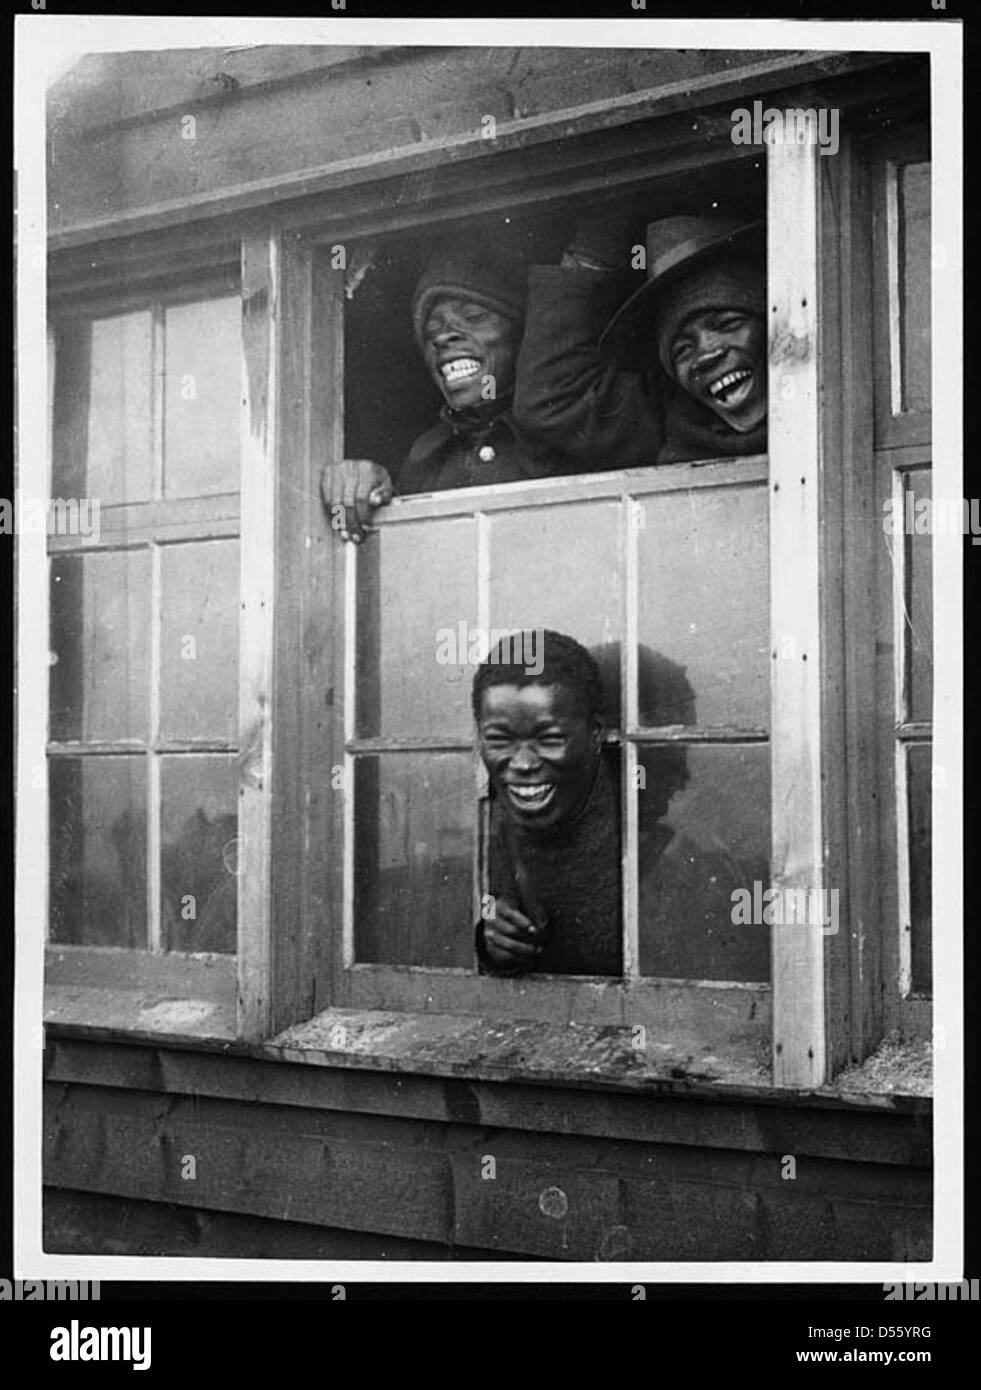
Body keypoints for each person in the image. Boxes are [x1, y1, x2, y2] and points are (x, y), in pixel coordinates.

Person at [322, 237, 570, 542]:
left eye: (474, 318)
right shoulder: (426, 456)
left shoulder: (571, 431)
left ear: (522, 333)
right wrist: (364, 485)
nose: (442, 338)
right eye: (432, 330)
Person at [513, 209, 768, 468]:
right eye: (682, 350)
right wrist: (594, 251)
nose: (706, 355)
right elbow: (552, 402)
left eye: (728, 324)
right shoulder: (672, 414)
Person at [473, 630, 621, 977]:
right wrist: (492, 945)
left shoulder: (648, 831)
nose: (523, 763)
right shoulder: (475, 821)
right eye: (499, 740)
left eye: (550, 739)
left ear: (595, 732)